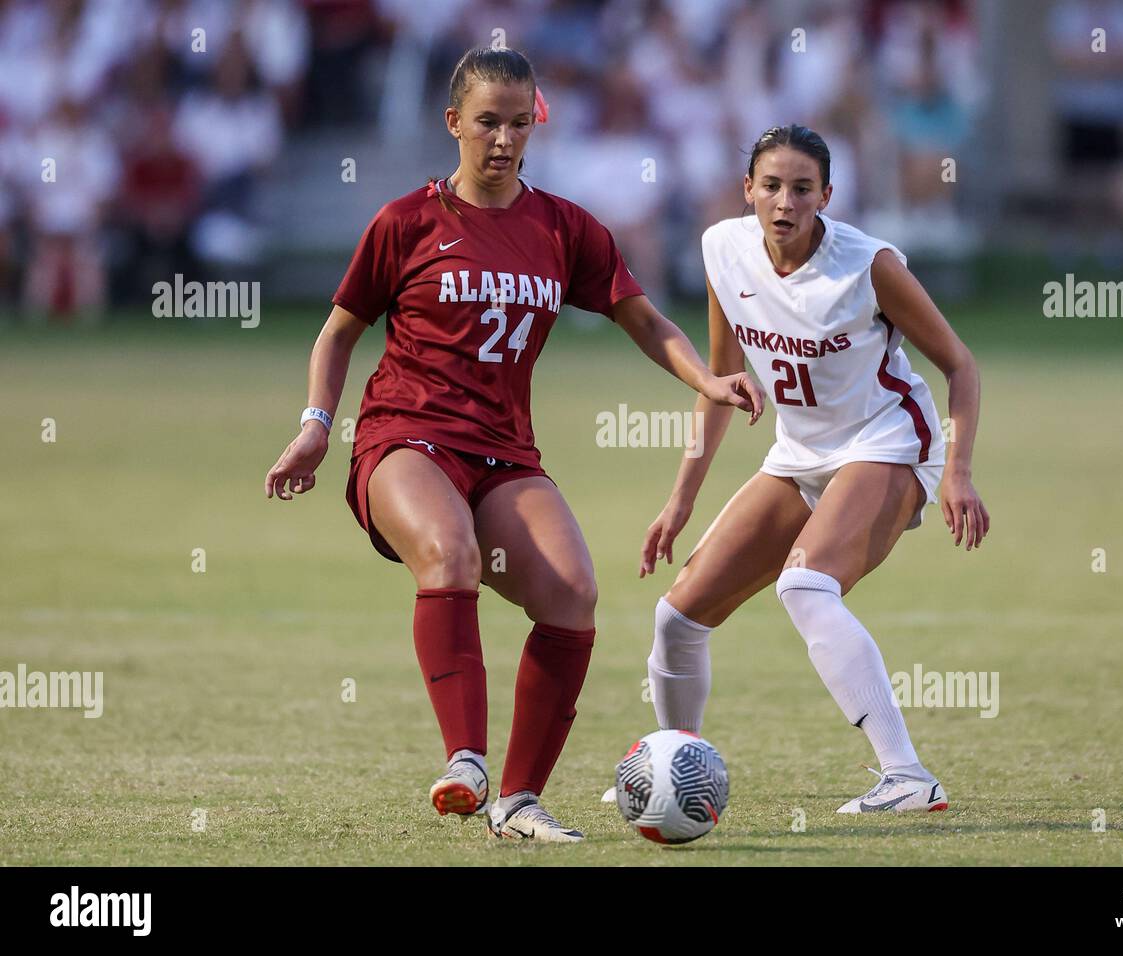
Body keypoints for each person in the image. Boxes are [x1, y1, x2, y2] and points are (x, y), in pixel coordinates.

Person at [264, 47, 763, 843]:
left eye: (519, 122)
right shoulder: (404, 222)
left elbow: (644, 317)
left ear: (540, 122)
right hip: (404, 436)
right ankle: (466, 759)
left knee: (573, 594)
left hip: (503, 452)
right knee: (448, 551)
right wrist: (316, 428)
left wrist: (705, 382)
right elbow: (336, 335)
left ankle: (519, 802)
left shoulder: (564, 228)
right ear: (453, 122)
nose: (503, 138)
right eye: (487, 122)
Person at [638, 125, 988, 814]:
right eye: (770, 185)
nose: (784, 201)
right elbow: (722, 379)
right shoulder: (722, 248)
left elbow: (960, 364)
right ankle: (675, 770)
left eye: (803, 188)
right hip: (800, 454)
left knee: (804, 585)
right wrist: (680, 500)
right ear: (748, 191)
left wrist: (959, 473)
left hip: (887, 442)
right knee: (676, 619)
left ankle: (908, 776)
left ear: (828, 195)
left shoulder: (869, 264)